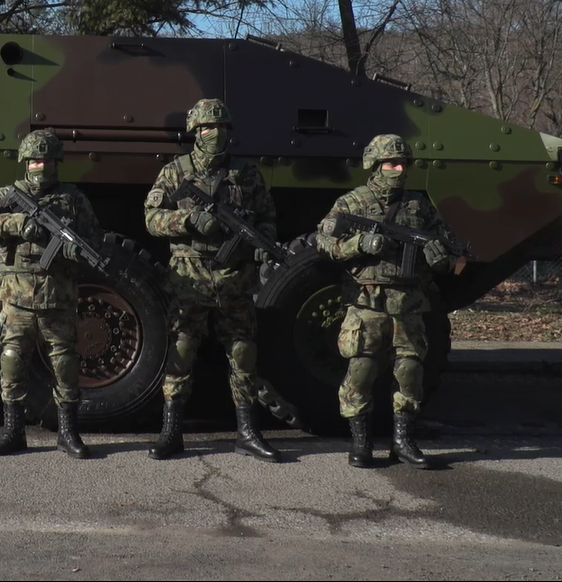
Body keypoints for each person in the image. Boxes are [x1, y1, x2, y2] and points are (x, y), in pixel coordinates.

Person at [142, 98, 282, 462]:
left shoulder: (246, 173)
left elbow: (267, 218)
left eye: (220, 128)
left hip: (235, 279)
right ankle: (171, 433)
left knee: (243, 353)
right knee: (182, 352)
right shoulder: (176, 172)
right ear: (195, 132)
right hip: (190, 279)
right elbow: (152, 217)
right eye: (207, 128)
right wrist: (187, 222)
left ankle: (248, 432)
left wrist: (262, 244)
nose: (214, 134)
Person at [314, 134, 460, 469]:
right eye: (390, 163)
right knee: (361, 370)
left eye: (402, 163)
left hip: (408, 305)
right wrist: (359, 244)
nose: (397, 169)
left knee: (409, 372)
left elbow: (446, 247)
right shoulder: (352, 203)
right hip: (366, 304)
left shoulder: (419, 206)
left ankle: (403, 441)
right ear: (375, 165)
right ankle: (361, 442)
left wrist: (442, 259)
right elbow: (323, 241)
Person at [0, 129, 104, 459]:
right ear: (24, 163)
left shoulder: (73, 200)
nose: (40, 167)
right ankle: (13, 432)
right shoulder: (9, 195)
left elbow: (94, 238)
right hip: (16, 296)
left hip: (57, 297)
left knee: (66, 365)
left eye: (46, 160)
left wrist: (73, 251)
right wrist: (19, 224)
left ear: (57, 163)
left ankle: (68, 433)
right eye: (34, 161)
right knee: (11, 361)